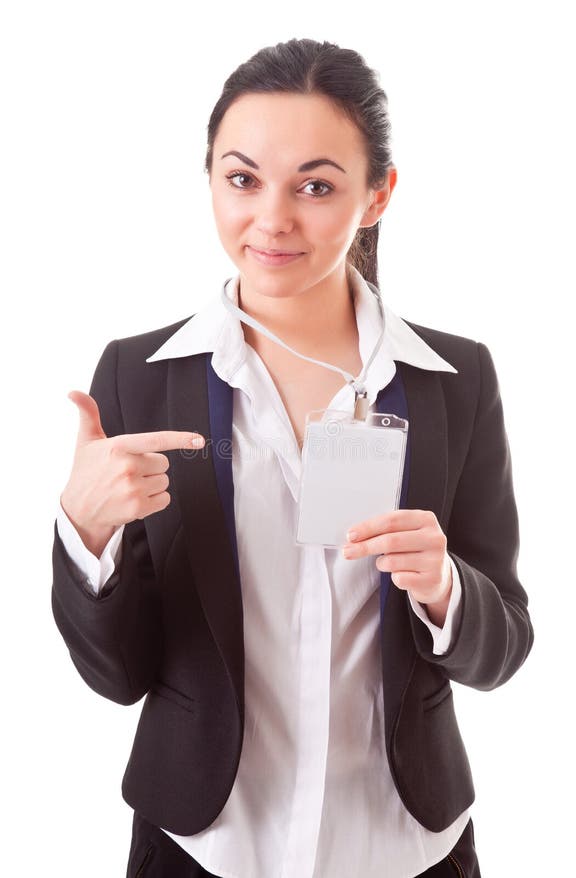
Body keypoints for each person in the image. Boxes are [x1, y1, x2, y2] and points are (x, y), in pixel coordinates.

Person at [51, 37, 534, 878]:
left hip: (407, 847)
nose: (272, 219)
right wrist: (86, 537)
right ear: (210, 179)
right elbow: (118, 676)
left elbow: (505, 648)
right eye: (243, 179)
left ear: (378, 195)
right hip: (204, 846)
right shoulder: (136, 376)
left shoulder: (456, 381)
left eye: (316, 186)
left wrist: (445, 587)